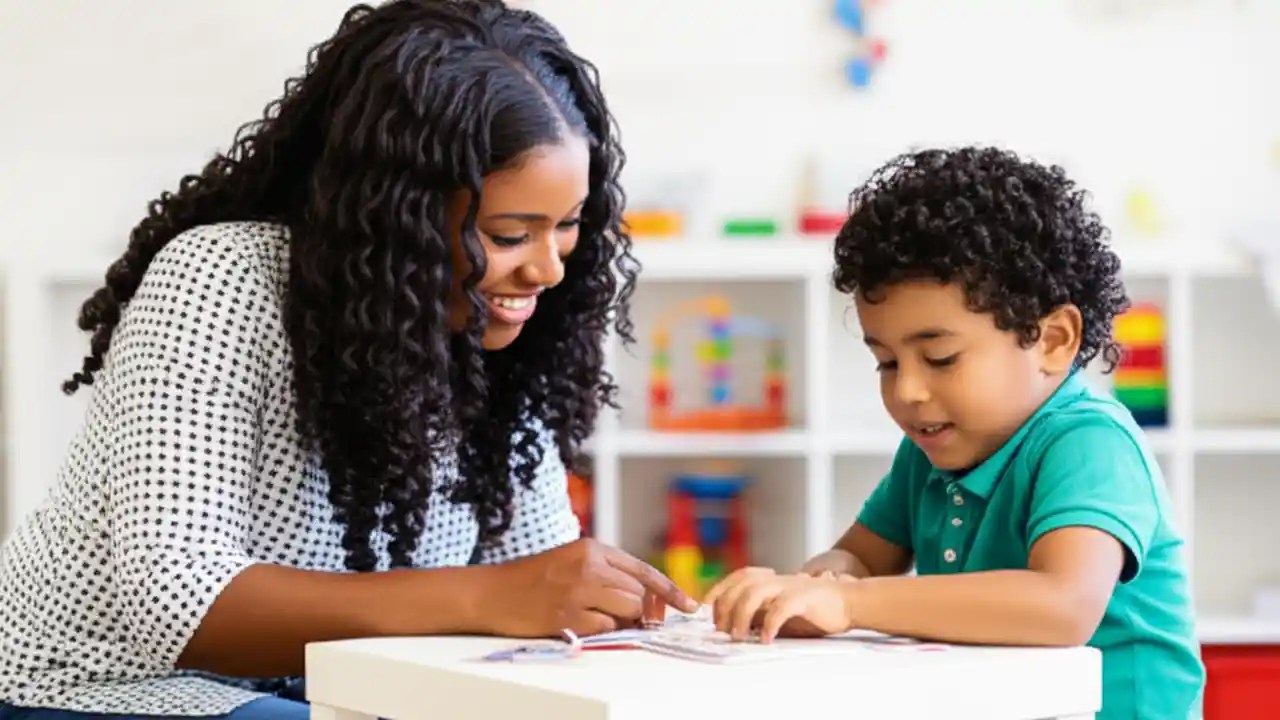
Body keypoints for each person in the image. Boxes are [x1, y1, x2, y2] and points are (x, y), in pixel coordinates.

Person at [0, 1, 696, 718]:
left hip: (332, 694)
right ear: (400, 215)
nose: (548, 270)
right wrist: (493, 595)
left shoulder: (496, 338)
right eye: (510, 234)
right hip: (95, 687)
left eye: (569, 227)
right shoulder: (220, 280)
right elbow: (180, 606)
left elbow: (538, 583)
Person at [705, 147, 1205, 719]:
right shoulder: (935, 444)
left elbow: (1062, 604)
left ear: (1052, 340)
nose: (909, 392)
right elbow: (859, 558)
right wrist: (816, 585)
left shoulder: (1090, 444)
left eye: (939, 358)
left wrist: (849, 601)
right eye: (887, 363)